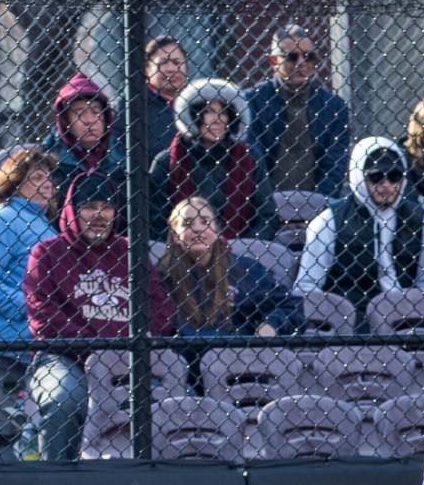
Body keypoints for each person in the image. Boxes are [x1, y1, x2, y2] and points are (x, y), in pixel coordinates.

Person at [21, 172, 172, 461]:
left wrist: (133, 342)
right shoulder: (47, 253)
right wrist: (106, 344)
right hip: (64, 358)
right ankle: (56, 482)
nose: (99, 215)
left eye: (107, 206)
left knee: (183, 394)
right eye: (90, 206)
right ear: (72, 210)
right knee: (65, 399)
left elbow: (161, 307)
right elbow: (44, 319)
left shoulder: (129, 250)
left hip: (132, 357)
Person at [0, 146, 60, 440]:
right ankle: (28, 413)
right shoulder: (2, 220)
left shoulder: (40, 221)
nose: (47, 184)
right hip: (10, 329)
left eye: (49, 178)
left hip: (39, 326)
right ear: (15, 182)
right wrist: (29, 307)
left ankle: (32, 413)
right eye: (37, 178)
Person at [295, 138, 424, 320]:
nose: (386, 185)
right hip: (352, 318)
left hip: (405, 316)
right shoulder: (330, 220)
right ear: (359, 176)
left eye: (395, 176)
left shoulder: (416, 218)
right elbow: (307, 286)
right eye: (376, 177)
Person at [148, 78, 276, 242]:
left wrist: (242, 248)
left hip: (238, 252)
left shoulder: (249, 158)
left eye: (223, 112)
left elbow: (266, 214)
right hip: (179, 252)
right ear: (192, 115)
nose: (217, 119)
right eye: (208, 111)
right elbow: (155, 217)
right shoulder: (167, 161)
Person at [159, 196, 300, 337]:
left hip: (235, 353)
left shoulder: (244, 269)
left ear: (216, 231)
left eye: (205, 222)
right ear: (175, 235)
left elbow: (289, 306)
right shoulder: (161, 276)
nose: (197, 229)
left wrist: (271, 325)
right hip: (182, 354)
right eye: (188, 223)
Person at [242, 24, 352, 200]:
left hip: (317, 203)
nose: (301, 63)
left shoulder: (334, 107)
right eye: (291, 57)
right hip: (263, 205)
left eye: (308, 56)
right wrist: (266, 204)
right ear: (273, 61)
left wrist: (319, 204)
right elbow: (254, 160)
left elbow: (334, 165)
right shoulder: (252, 102)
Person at [42, 72, 125, 197]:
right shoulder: (46, 159)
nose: (90, 120)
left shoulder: (123, 155)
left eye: (96, 112)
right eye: (79, 114)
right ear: (65, 120)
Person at [140, 36, 188, 164]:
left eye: (177, 63)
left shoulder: (197, 100)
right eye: (162, 63)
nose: (171, 69)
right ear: (147, 69)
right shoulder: (134, 103)